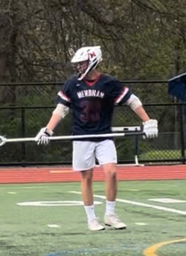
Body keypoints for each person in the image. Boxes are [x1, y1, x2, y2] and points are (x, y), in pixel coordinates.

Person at [35, 46, 158, 231]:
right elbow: (61, 109)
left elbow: (132, 100)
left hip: (103, 135)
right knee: (87, 176)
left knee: (111, 172)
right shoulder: (72, 84)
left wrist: (147, 121)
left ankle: (110, 214)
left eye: (82, 63)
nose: (79, 68)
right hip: (82, 135)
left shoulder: (108, 83)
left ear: (92, 61)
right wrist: (48, 130)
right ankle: (91, 218)